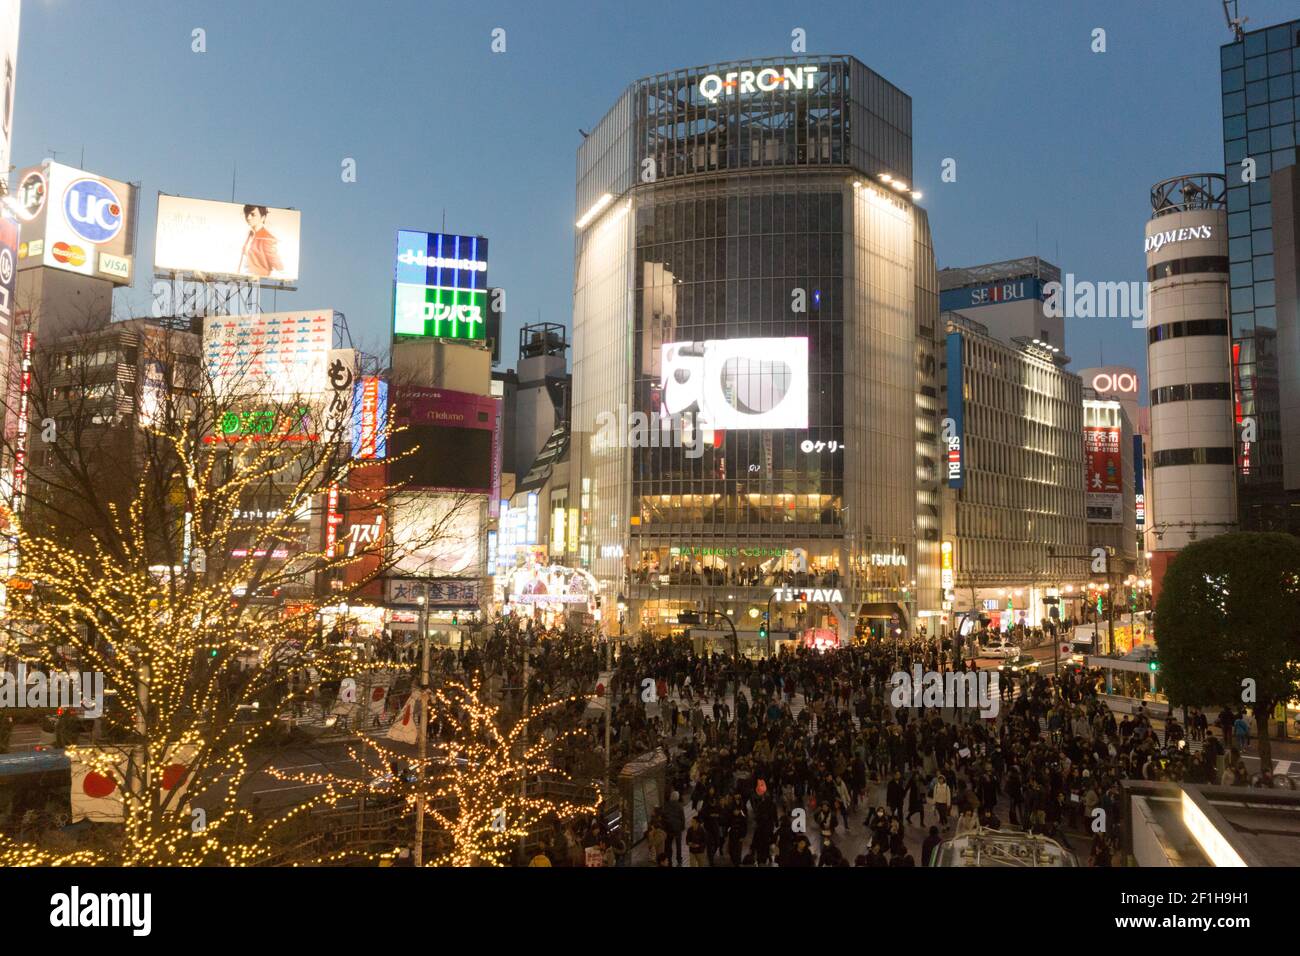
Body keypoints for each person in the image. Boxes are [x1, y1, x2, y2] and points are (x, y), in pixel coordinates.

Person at [237, 204, 285, 278]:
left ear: (263, 218)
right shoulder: (250, 234)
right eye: (247, 213)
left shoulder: (268, 239)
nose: (248, 217)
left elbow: (279, 268)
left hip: (255, 279)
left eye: (253, 214)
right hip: (243, 279)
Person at [662, 790, 686, 866]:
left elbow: (663, 817)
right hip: (677, 829)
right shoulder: (679, 806)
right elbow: (682, 818)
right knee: (678, 845)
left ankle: (669, 860)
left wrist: (664, 827)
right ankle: (679, 860)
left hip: (668, 829)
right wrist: (682, 827)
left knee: (668, 845)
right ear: (677, 798)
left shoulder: (666, 805)